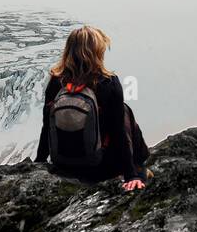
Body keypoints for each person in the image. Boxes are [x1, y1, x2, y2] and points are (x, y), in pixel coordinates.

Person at [36, 25, 150, 191]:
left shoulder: (56, 81)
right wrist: (131, 174)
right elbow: (119, 133)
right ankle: (140, 167)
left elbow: (47, 126)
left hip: (63, 164)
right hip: (100, 167)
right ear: (97, 52)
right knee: (124, 111)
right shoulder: (108, 83)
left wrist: (40, 162)